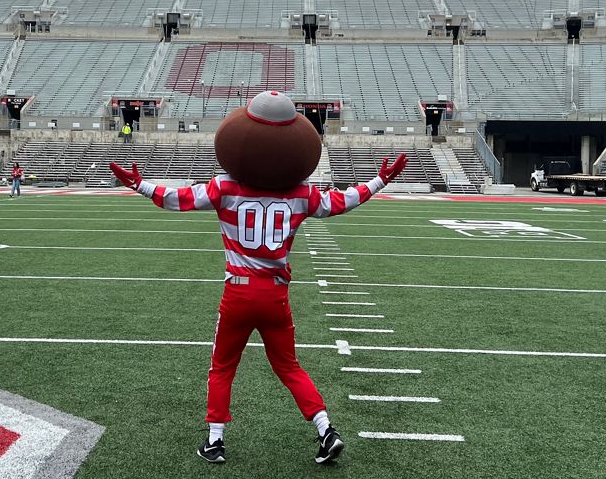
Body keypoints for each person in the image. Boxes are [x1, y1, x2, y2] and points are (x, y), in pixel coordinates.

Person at [110, 90, 408, 465]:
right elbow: (341, 201)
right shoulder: (301, 194)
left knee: (222, 366)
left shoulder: (226, 188)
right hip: (276, 296)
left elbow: (178, 198)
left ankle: (215, 441)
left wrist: (140, 184)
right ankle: (325, 429)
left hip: (238, 293)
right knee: (289, 366)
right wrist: (379, 181)